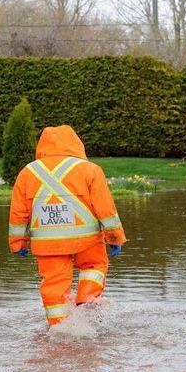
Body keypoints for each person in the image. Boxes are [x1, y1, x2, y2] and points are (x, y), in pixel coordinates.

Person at [9, 125, 127, 326]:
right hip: (87, 240)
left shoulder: (27, 172)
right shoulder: (90, 170)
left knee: (54, 285)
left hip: (48, 244)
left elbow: (18, 213)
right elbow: (105, 209)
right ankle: (87, 301)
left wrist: (18, 242)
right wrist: (114, 237)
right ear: (76, 143)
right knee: (94, 266)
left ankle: (60, 328)